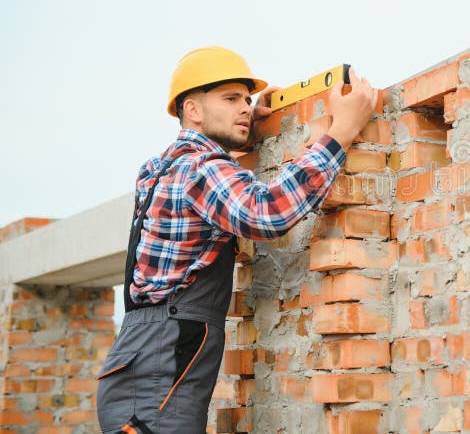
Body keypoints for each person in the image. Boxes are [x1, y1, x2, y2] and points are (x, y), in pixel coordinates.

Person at [95, 46, 377, 433]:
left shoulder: (159, 167)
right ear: (192, 110)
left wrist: (242, 132)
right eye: (230, 99)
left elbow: (216, 182)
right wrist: (341, 131)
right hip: (160, 365)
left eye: (247, 100)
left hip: (142, 360)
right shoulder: (199, 170)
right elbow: (267, 212)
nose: (245, 107)